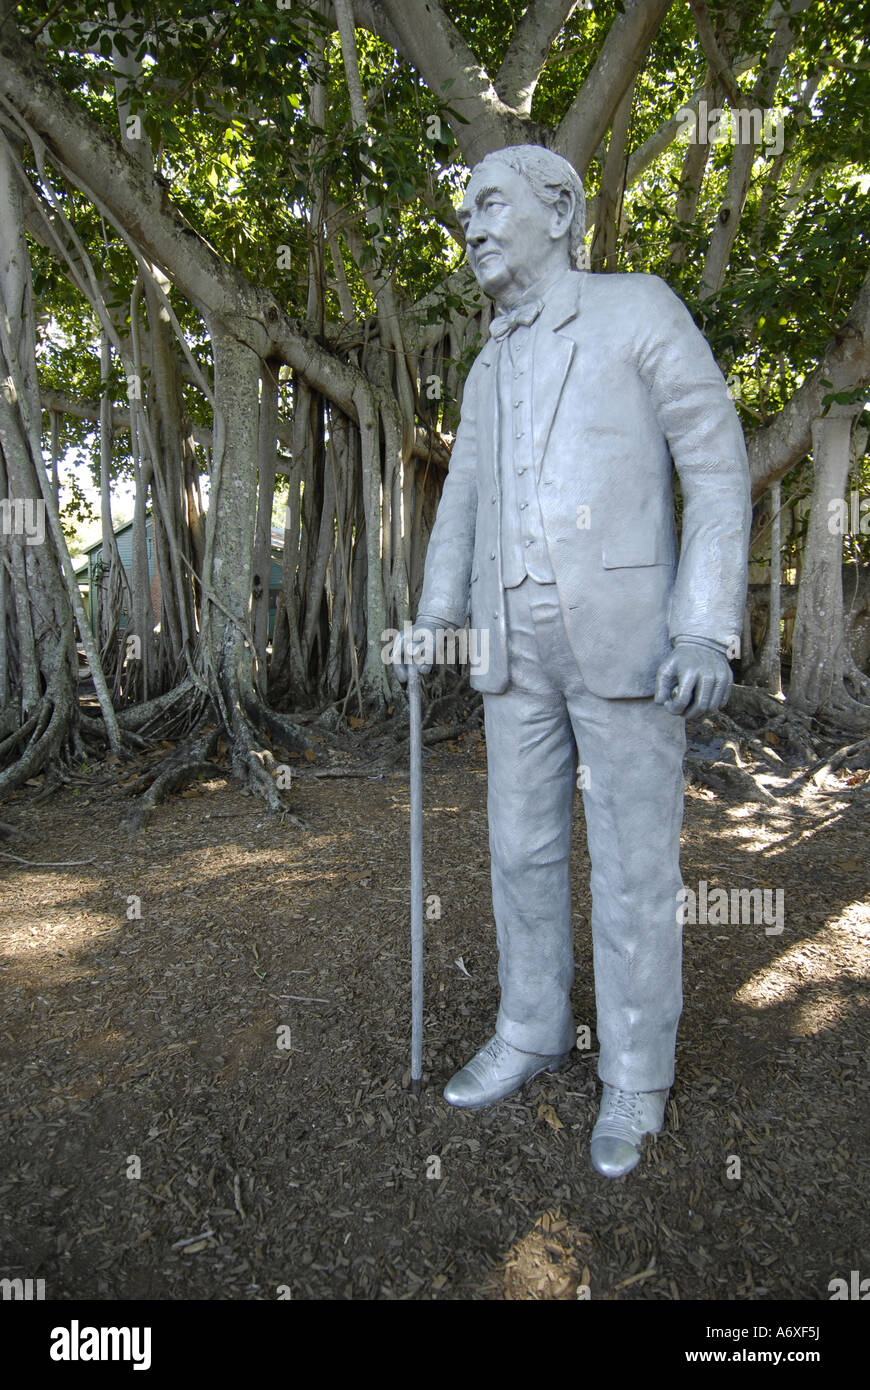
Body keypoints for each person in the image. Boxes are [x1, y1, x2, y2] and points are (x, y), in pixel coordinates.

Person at [394, 145, 751, 1178]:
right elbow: (462, 498)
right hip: (513, 647)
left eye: (491, 202)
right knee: (520, 848)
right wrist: (437, 612)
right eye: (465, 210)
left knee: (638, 865)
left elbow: (717, 466)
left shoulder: (638, 309)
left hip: (630, 637)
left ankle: (636, 1072)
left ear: (559, 209)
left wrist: (702, 627)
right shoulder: (488, 359)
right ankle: (532, 1023)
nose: (473, 225)